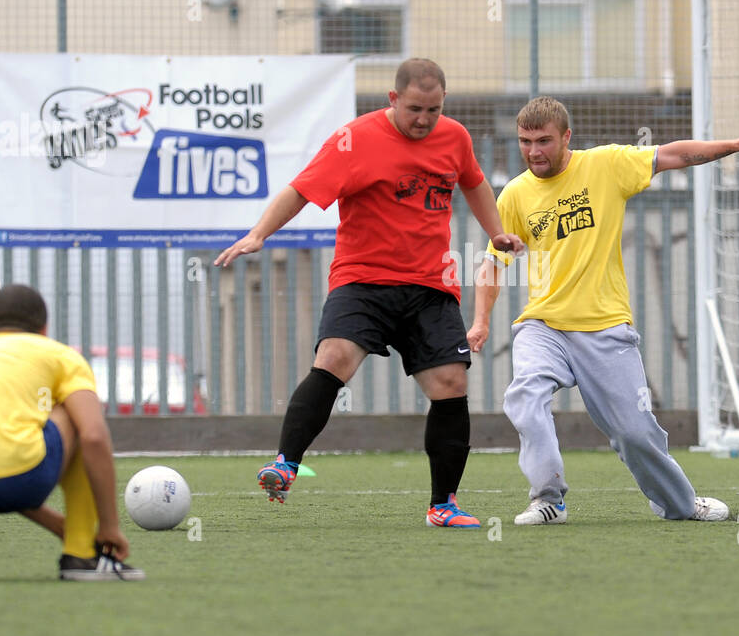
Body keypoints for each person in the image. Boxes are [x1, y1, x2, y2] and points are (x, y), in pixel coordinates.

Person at [214, 59, 523, 527]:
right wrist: (260, 233)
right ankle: (285, 463)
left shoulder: (455, 137)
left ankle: (443, 506)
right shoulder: (353, 139)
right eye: (415, 109)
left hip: (428, 285)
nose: (424, 120)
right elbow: (300, 190)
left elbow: (475, 184)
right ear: (393, 100)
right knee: (335, 357)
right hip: (363, 279)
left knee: (451, 384)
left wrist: (496, 232)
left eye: (434, 110)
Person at [466, 95, 739, 524]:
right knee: (524, 400)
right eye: (524, 142)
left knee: (635, 434)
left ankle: (680, 503)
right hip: (543, 326)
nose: (533, 151)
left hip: (606, 328)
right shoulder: (514, 195)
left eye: (544, 141)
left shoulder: (606, 165)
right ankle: (548, 498)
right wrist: (480, 321)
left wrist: (736, 146)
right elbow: (492, 264)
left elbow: (675, 154)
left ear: (567, 137)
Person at [0, 284, 145, 581]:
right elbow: (94, 436)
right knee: (74, 416)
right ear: (44, 330)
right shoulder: (59, 355)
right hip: (20, 478)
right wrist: (109, 527)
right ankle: (81, 555)